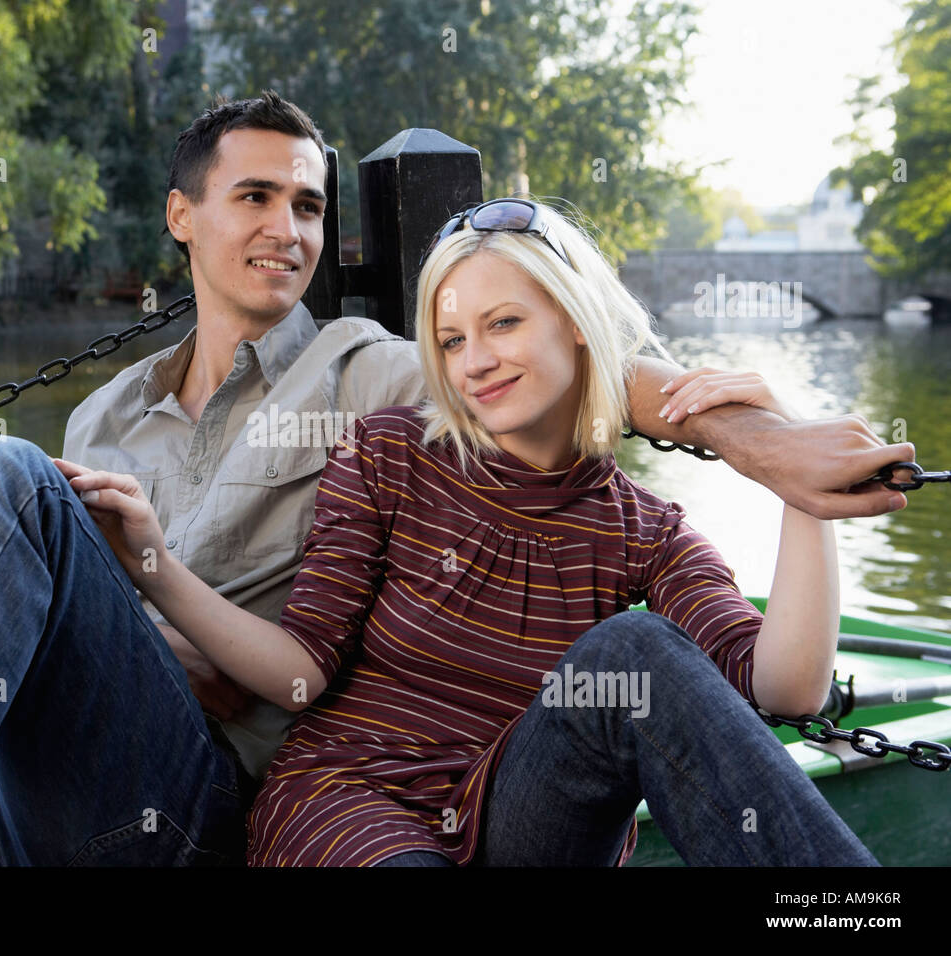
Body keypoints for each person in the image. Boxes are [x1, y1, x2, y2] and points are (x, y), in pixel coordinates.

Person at [0, 92, 912, 866]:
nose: (291, 228)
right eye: (255, 195)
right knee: (3, 490)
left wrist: (768, 445)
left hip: (190, 803)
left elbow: (564, 368)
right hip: (41, 779)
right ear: (182, 218)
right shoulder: (106, 409)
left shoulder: (370, 374)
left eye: (309, 205)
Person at [64, 197, 880, 866]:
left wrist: (799, 480)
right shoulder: (389, 453)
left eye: (504, 324)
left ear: (575, 323)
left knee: (635, 654)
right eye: (452, 341)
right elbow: (300, 673)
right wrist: (153, 562)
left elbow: (786, 689)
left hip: (526, 816)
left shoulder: (642, 528)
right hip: (354, 803)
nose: (474, 362)